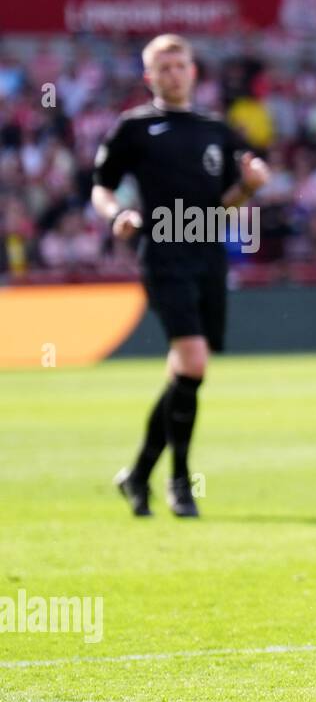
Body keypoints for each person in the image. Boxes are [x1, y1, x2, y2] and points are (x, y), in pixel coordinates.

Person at [93, 34, 269, 518]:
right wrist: (116, 216)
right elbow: (101, 188)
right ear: (150, 77)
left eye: (180, 65)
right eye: (162, 67)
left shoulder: (216, 130)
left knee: (186, 372)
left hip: (207, 254)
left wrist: (249, 186)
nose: (173, 73)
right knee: (192, 362)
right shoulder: (134, 127)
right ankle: (179, 483)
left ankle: (137, 475)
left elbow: (224, 203)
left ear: (193, 72)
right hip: (163, 253)